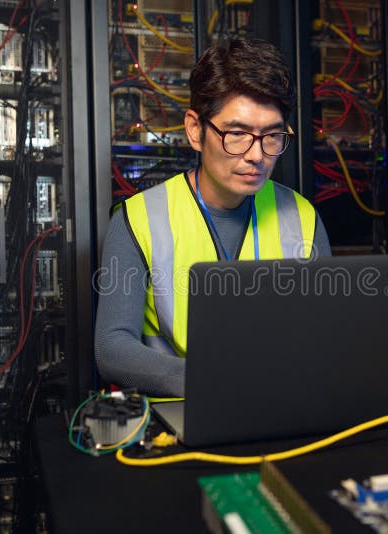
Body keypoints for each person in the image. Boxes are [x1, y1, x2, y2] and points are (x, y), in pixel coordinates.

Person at [94, 37, 332, 397]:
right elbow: (112, 347)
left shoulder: (302, 217)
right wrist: (212, 383)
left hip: (282, 405)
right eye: (237, 134)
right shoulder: (138, 219)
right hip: (181, 412)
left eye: (271, 136)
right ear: (195, 130)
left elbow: (328, 336)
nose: (257, 155)